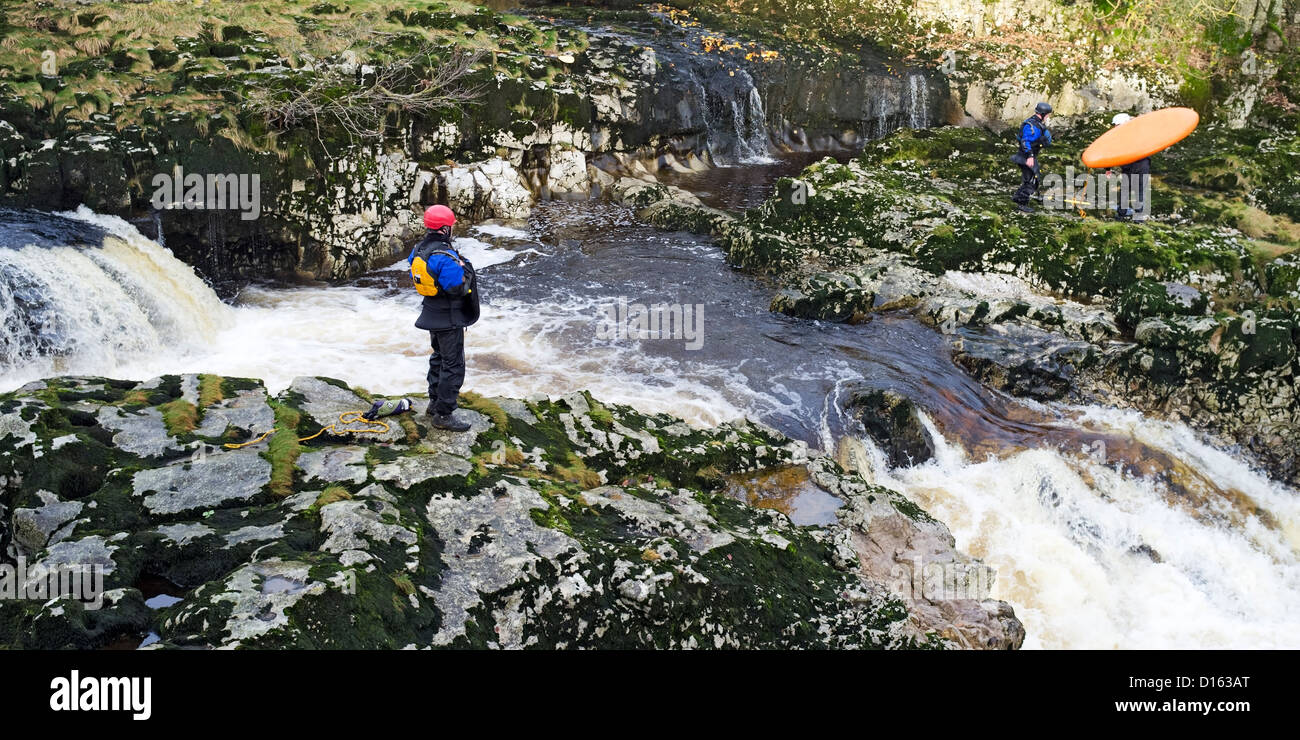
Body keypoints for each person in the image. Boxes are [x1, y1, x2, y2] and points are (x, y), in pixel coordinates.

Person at [408, 204, 478, 432]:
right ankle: (444, 414)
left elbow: (418, 269)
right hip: (449, 318)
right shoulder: (444, 257)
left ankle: (433, 402)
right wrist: (463, 267)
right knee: (453, 364)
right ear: (446, 228)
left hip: (431, 313)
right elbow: (456, 287)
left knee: (438, 357)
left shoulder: (419, 249)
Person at [1011, 102, 1053, 212]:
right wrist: (1030, 156)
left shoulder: (1037, 123)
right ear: (1043, 114)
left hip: (1029, 156)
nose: (1048, 117)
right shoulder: (1031, 126)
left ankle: (1017, 197)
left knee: (1033, 178)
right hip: (1025, 157)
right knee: (1031, 181)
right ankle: (1021, 203)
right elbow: (1025, 141)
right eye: (1048, 115)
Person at [1108, 113, 1150, 223]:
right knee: (1127, 191)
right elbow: (1109, 152)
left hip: (1139, 166)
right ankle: (1125, 214)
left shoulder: (1124, 136)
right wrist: (1107, 169)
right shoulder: (1138, 132)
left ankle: (1136, 217)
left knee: (1138, 192)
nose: (1114, 128)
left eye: (1116, 125)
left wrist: (1107, 168)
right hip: (1135, 166)